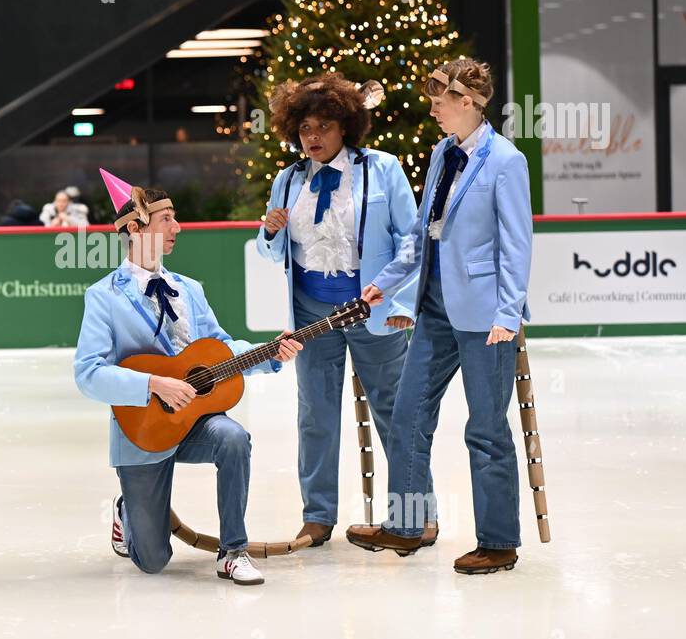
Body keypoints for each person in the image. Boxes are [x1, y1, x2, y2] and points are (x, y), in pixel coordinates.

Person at [345, 58, 532, 575]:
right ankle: (407, 525)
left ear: (468, 103)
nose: (432, 110)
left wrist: (508, 312)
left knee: (487, 428)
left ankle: (498, 541)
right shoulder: (440, 154)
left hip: (484, 316)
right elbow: (424, 234)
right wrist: (384, 283)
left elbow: (517, 245)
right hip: (433, 308)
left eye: (439, 101)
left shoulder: (505, 161)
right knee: (407, 416)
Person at [74, 168, 302, 586]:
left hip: (197, 420)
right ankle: (129, 511)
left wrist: (268, 354)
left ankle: (233, 551)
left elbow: (218, 347)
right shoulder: (103, 296)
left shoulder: (189, 289)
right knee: (154, 561)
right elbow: (88, 373)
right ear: (138, 229)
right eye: (167, 220)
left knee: (234, 438)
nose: (178, 227)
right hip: (144, 430)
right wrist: (153, 384)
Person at [256, 74, 435, 548]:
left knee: (395, 414)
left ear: (347, 127)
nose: (313, 137)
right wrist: (271, 231)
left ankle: (419, 512)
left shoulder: (382, 169)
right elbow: (272, 253)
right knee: (315, 415)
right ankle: (318, 516)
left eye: (325, 126)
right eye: (305, 128)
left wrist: (396, 300)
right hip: (312, 316)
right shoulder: (288, 179)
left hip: (372, 310)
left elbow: (412, 241)